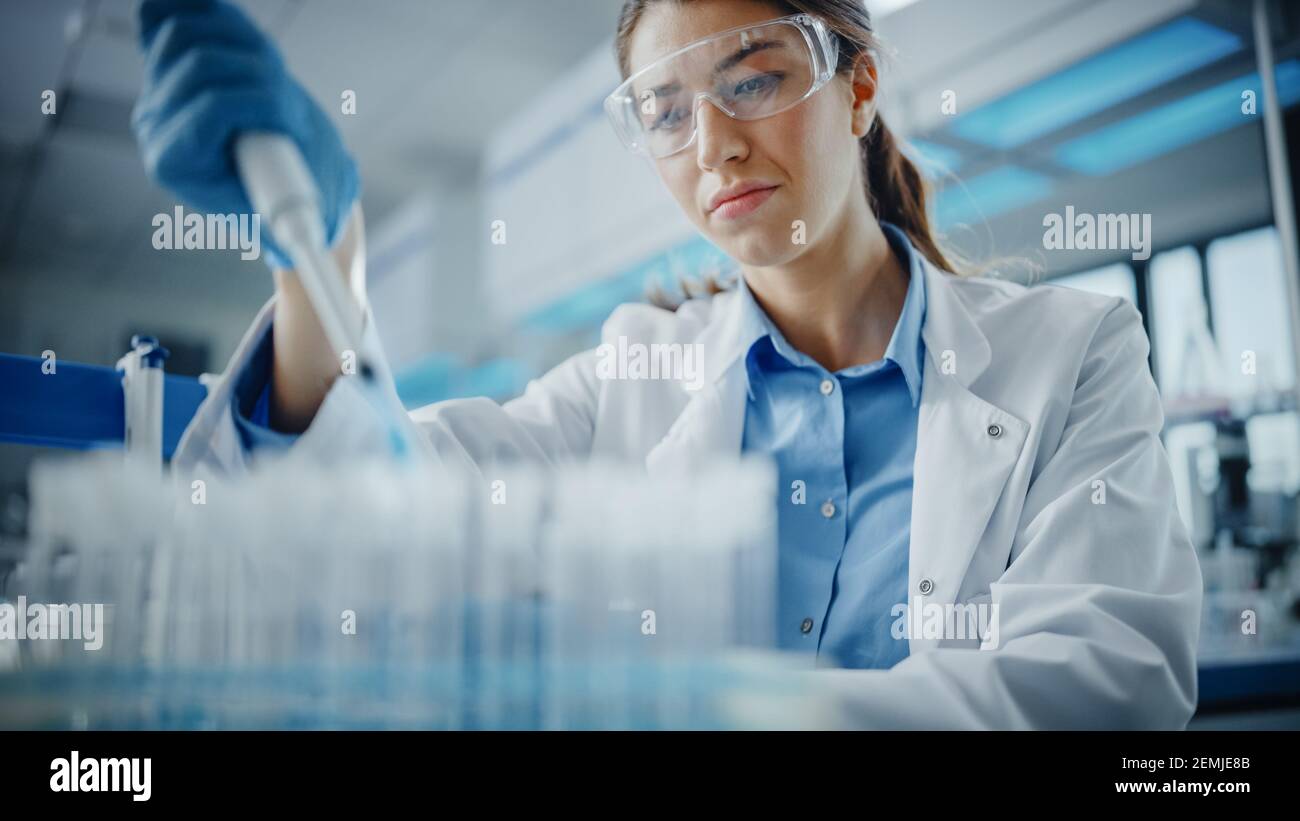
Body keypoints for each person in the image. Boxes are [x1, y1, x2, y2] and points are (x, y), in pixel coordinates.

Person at [133, 0, 1203, 728]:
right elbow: (376, 504)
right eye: (665, 111)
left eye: (753, 80)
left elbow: (1111, 677)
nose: (713, 145)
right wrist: (324, 254)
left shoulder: (1072, 351)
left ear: (859, 85)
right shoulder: (633, 372)